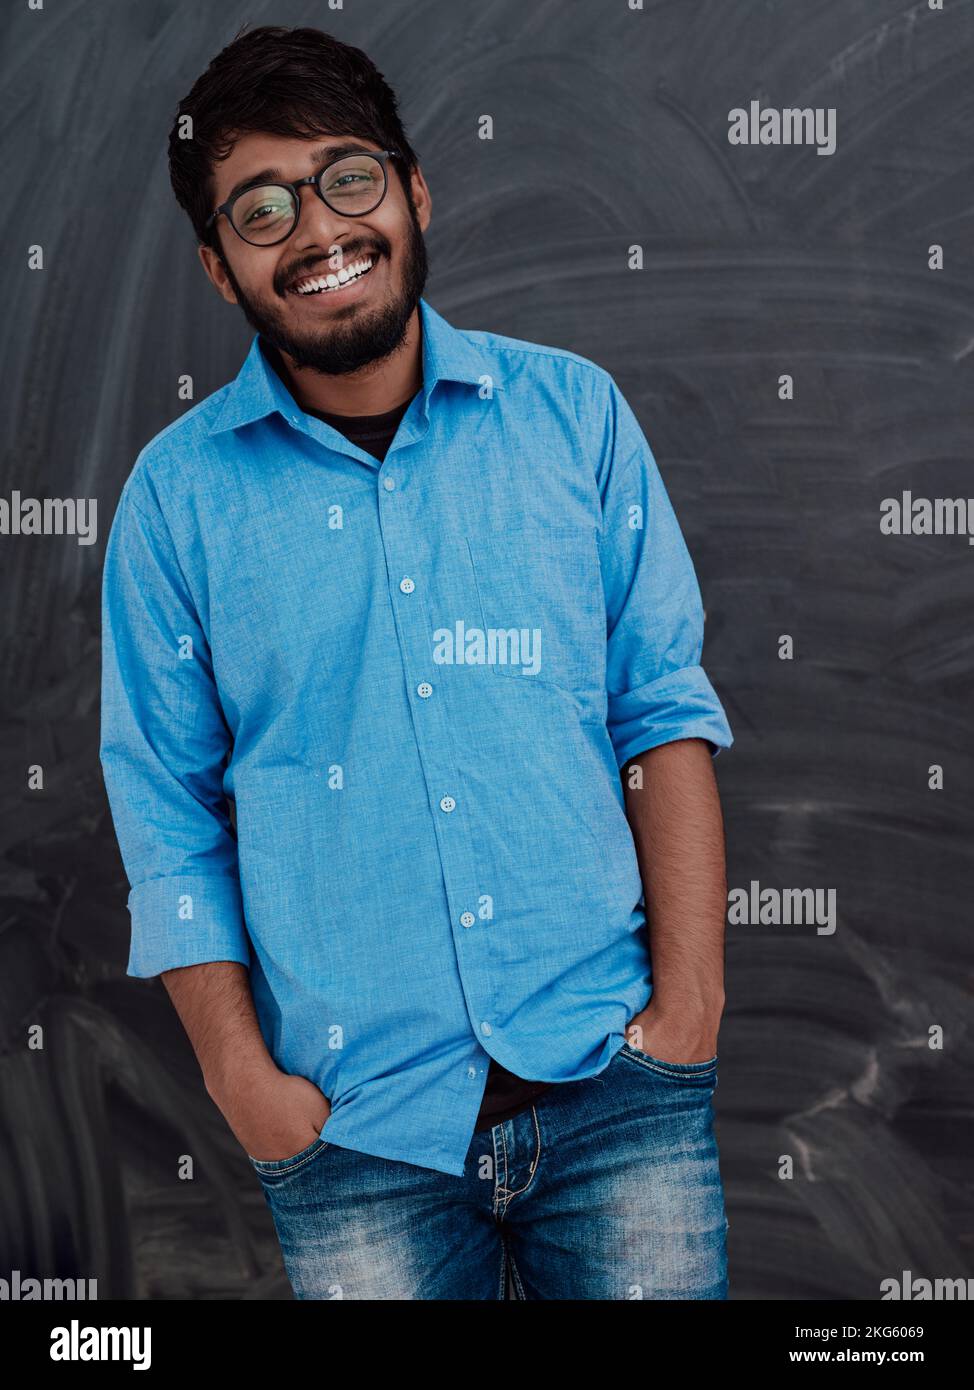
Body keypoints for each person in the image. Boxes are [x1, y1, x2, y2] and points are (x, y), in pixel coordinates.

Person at [100, 24, 734, 1300]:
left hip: (616, 1088)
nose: (318, 228)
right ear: (221, 268)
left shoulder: (574, 418)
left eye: (347, 178)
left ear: (412, 193)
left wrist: (688, 1016)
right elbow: (167, 810)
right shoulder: (175, 502)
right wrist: (244, 1084)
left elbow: (660, 713)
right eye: (260, 208)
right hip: (350, 1134)